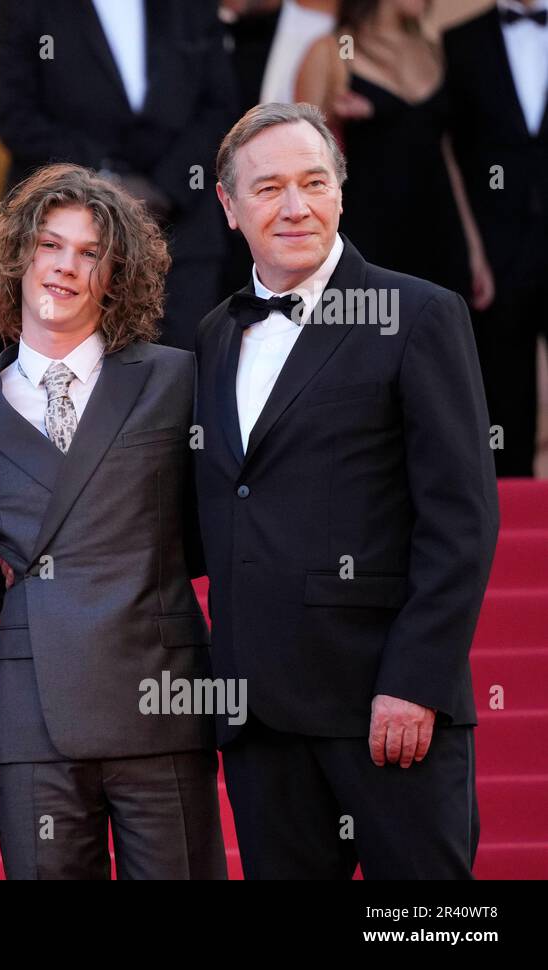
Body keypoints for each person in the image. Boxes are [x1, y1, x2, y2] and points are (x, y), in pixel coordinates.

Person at [195, 102, 498, 878]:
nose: (295, 206)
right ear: (229, 207)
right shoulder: (215, 336)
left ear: (340, 192)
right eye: (268, 189)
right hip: (258, 716)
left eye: (313, 182)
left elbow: (461, 520)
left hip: (385, 710)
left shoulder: (418, 314)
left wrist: (414, 682)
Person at [0, 163, 227, 880]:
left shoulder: (176, 380)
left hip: (158, 698)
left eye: (90, 253)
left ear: (116, 274)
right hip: (34, 714)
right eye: (50, 245)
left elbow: (215, 527)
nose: (66, 266)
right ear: (19, 258)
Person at [0, 0, 237, 350]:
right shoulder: (28, 7)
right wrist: (106, 184)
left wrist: (164, 188)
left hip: (183, 233)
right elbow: (16, 115)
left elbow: (220, 108)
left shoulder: (192, 6)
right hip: (68, 232)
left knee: (186, 381)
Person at [295, 0, 493, 305]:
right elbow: (299, 159)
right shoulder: (332, 50)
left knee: (441, 344)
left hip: (441, 234)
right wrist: (333, 118)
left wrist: (474, 248)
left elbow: (447, 156)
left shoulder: (431, 49)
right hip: (370, 236)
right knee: (373, 344)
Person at [445, 0, 548, 477]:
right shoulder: (460, 41)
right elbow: (454, 152)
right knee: (504, 390)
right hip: (498, 249)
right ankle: (511, 515)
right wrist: (471, 249)